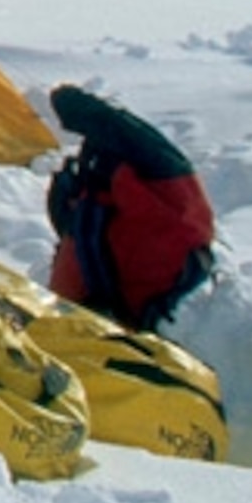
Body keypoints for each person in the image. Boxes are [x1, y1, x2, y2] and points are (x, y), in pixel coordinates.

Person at [47, 83, 215, 331]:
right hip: (97, 305)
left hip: (111, 310)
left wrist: (92, 113)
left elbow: (142, 144)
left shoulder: (167, 188)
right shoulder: (101, 208)